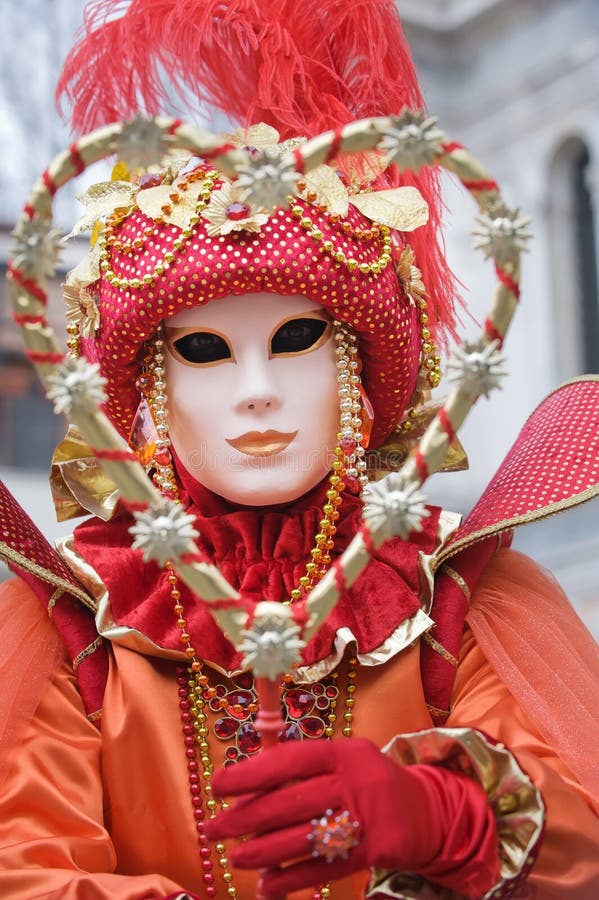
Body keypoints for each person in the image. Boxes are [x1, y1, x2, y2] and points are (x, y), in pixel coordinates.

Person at [1, 1, 598, 898]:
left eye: (296, 340)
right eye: (202, 350)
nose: (256, 390)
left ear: (358, 371)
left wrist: (451, 819)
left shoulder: (457, 594)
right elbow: (27, 866)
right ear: (151, 397)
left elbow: (578, 838)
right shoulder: (78, 619)